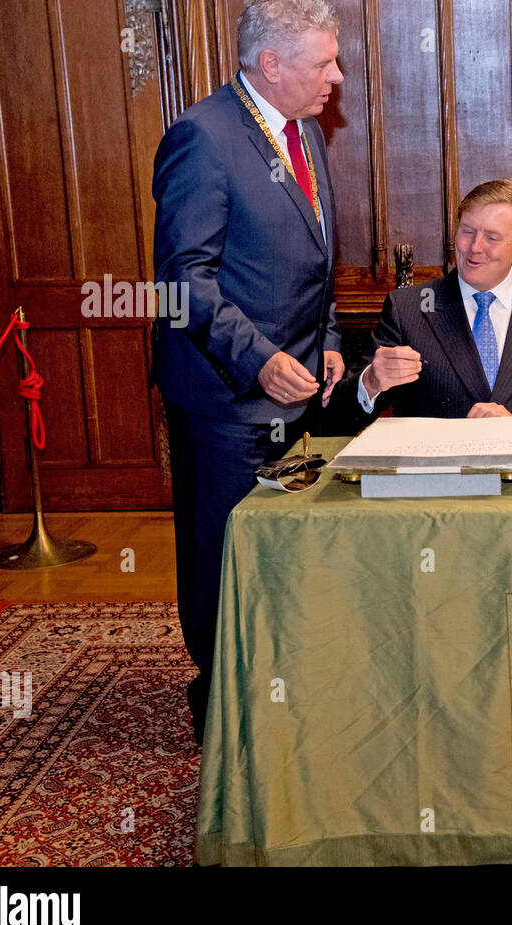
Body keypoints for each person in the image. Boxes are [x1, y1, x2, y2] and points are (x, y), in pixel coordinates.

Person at [151, 0, 344, 745]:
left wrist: (325, 338)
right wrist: (260, 360)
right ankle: (220, 697)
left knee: (283, 543)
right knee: (224, 546)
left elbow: (315, 262)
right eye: (323, 61)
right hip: (226, 394)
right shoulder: (203, 137)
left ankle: (276, 670)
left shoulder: (302, 131)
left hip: (298, 388)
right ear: (271, 64)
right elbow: (182, 282)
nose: (334, 75)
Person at [349, 179, 512, 419]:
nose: (474, 247)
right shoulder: (409, 308)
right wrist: (370, 382)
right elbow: (340, 417)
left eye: (492, 237)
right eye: (467, 231)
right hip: (439, 457)